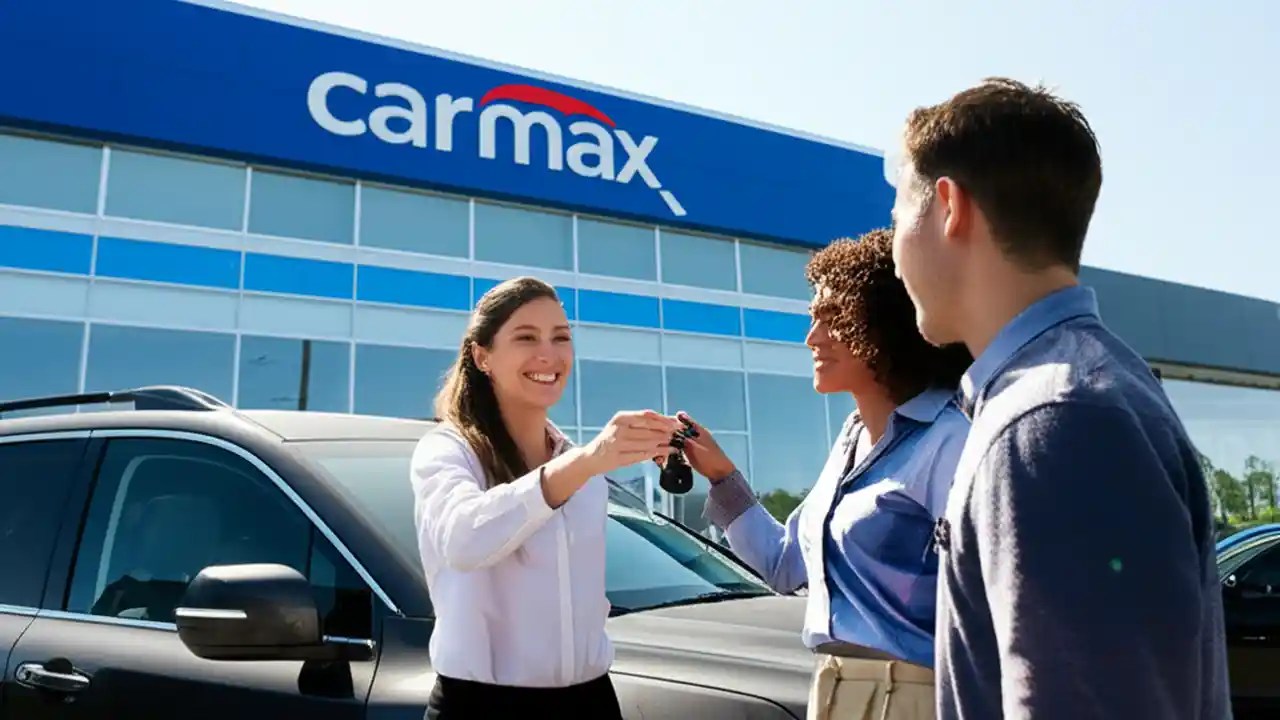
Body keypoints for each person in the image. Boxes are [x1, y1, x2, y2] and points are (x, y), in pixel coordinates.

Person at [888, 77, 1231, 720]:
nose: (894, 247)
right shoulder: (1072, 395)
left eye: (896, 213)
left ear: (949, 206)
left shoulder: (1055, 422)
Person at [679, 228, 973, 720]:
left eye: (832, 319)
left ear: (887, 324)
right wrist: (721, 476)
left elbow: (994, 604)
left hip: (920, 700)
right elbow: (783, 566)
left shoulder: (951, 440)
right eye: (814, 318)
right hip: (832, 690)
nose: (811, 337)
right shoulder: (850, 440)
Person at [409, 276, 681, 719]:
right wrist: (587, 462)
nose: (549, 355)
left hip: (591, 701)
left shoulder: (583, 468)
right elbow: (463, 539)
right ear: (482, 356)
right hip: (483, 706)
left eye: (561, 338)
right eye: (526, 337)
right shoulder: (447, 449)